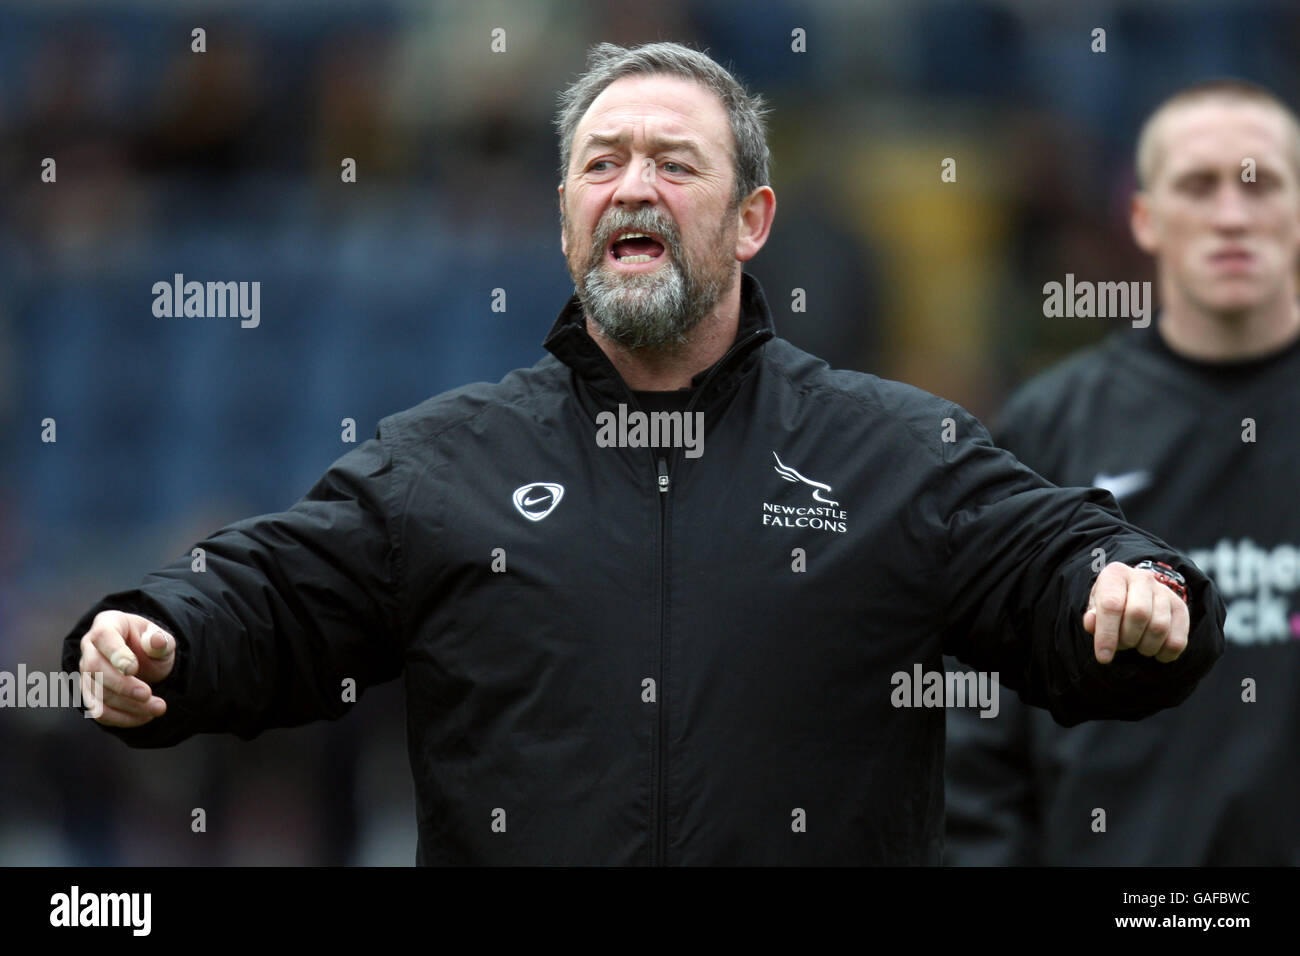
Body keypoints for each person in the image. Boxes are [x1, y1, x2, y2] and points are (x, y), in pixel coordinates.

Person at [65, 41, 1225, 866]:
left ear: (752, 219)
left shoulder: (892, 449)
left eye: (675, 162)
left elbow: (1062, 563)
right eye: (602, 161)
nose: (634, 185)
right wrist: (151, 631)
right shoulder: (443, 460)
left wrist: (1134, 589)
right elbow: (267, 596)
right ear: (566, 210)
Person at [944, 79, 1300, 865]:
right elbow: (975, 728)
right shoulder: (1050, 424)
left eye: (1261, 183)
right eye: (1197, 185)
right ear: (1143, 217)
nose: (1231, 214)